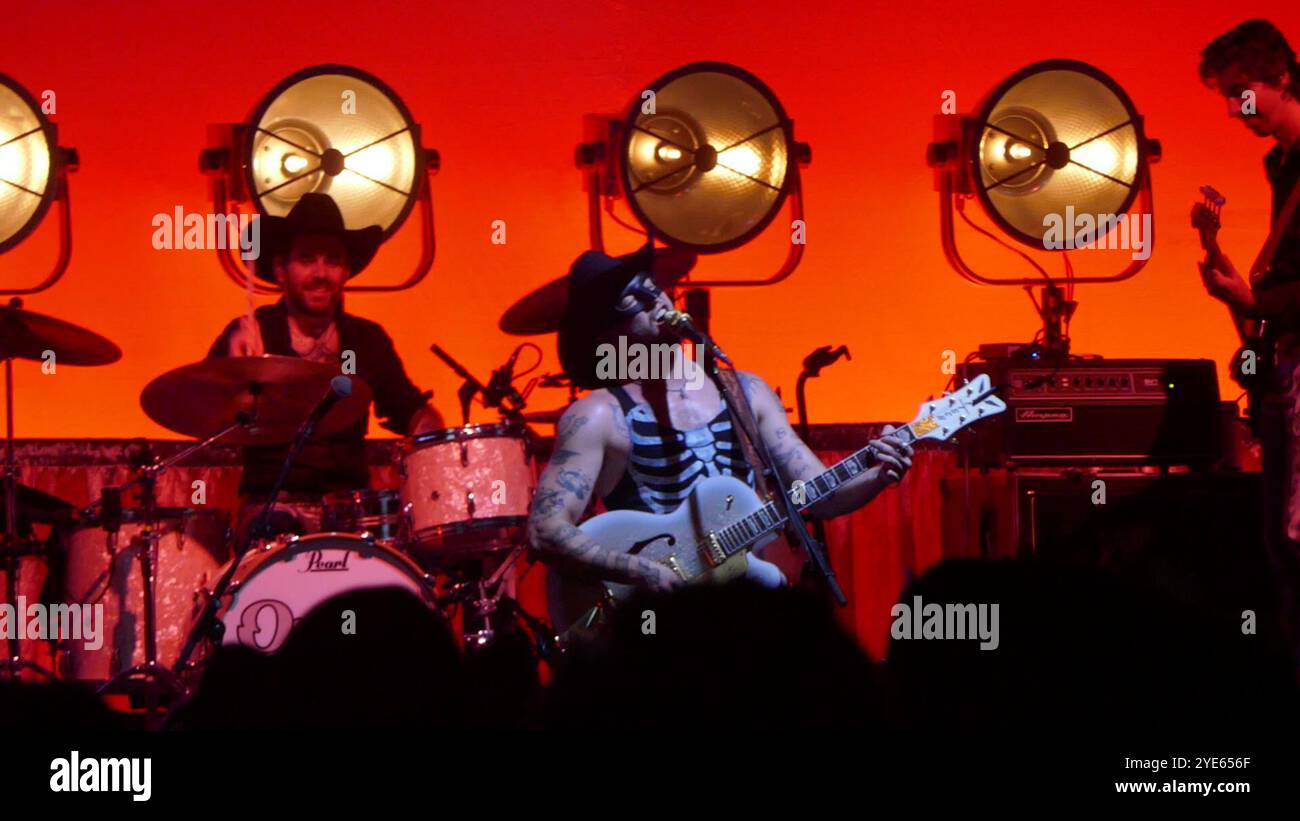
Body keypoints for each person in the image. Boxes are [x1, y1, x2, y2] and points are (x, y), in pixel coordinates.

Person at [526, 244, 913, 594]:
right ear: (607, 338)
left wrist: (878, 474)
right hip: (660, 622)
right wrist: (641, 571)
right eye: (632, 300)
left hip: (745, 609)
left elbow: (820, 495)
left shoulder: (746, 391)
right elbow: (545, 530)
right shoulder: (598, 415)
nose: (655, 299)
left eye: (653, 287)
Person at [208, 193, 442, 537]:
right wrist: (235, 374)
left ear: (346, 271)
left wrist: (434, 438)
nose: (321, 273)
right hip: (272, 506)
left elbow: (409, 410)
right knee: (269, 533)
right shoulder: (253, 331)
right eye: (306, 259)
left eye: (332, 260)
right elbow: (206, 411)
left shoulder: (368, 339)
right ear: (280, 270)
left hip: (350, 509)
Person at [1197, 19, 1300, 666]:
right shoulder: (1281, 163)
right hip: (1287, 364)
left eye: (1242, 92)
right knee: (1281, 544)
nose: (1235, 109)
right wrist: (1242, 298)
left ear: (1282, 77)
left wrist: (1259, 303)